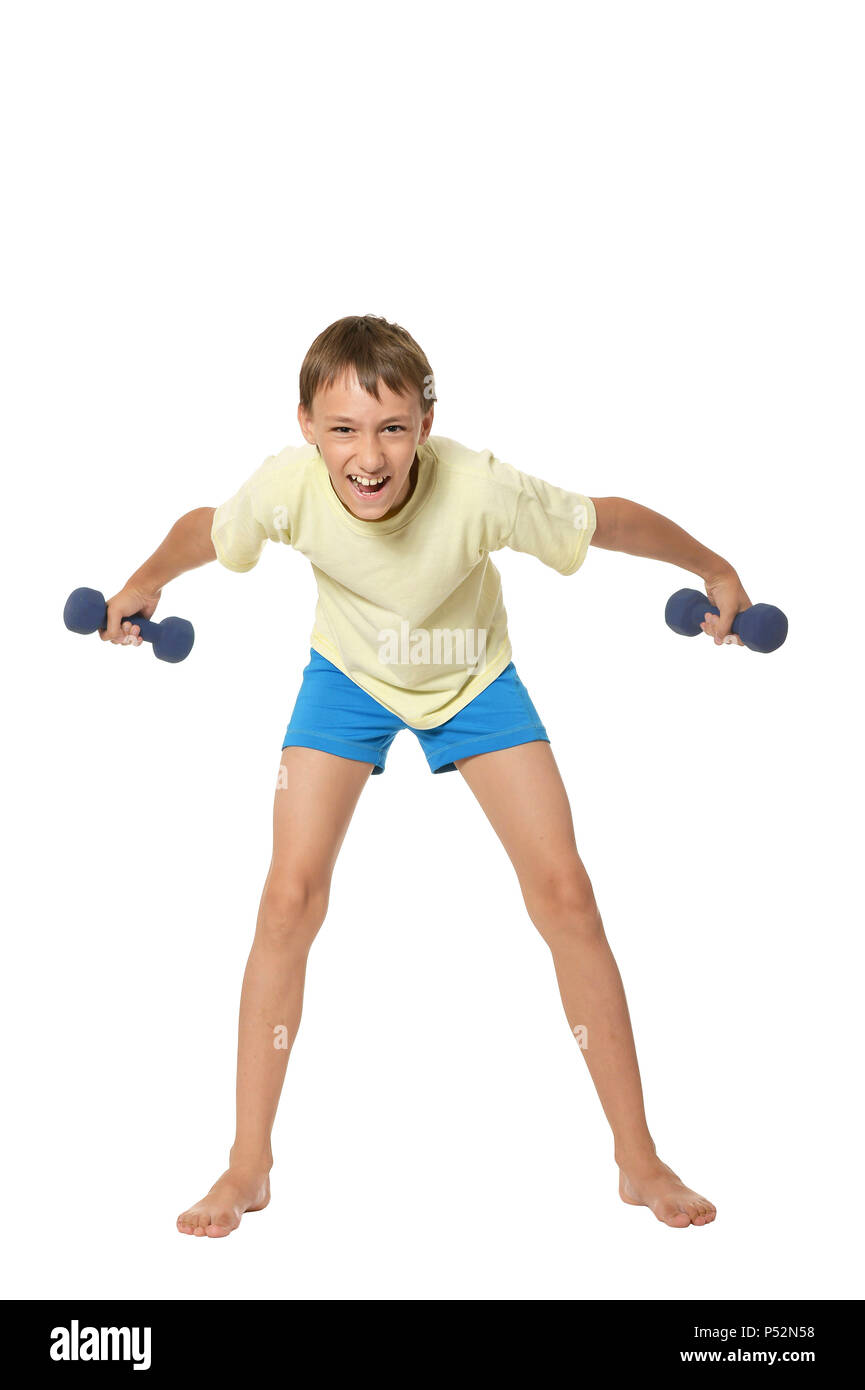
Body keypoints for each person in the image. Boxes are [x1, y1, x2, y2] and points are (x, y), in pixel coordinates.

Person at [102, 315, 749, 1236]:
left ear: (426, 425)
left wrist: (712, 565)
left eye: (392, 428)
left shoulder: (481, 490)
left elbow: (605, 520)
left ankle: (637, 1159)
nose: (368, 455)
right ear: (305, 426)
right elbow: (207, 530)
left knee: (566, 894)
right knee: (287, 899)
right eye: (343, 430)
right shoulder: (286, 488)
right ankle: (247, 1165)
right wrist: (144, 581)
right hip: (349, 678)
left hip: (470, 673)